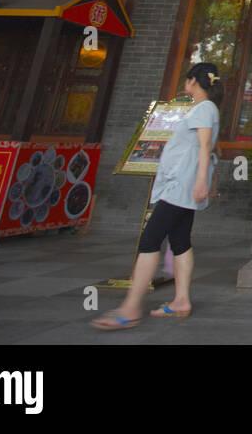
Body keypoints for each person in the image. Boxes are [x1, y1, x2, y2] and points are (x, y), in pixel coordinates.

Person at [92, 63, 221, 329]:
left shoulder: (204, 108)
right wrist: (207, 182)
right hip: (183, 186)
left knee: (150, 239)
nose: (185, 85)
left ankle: (130, 307)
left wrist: (201, 182)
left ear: (194, 82)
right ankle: (181, 301)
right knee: (180, 241)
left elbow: (206, 146)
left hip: (180, 186)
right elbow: (208, 148)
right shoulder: (206, 110)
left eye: (187, 81)